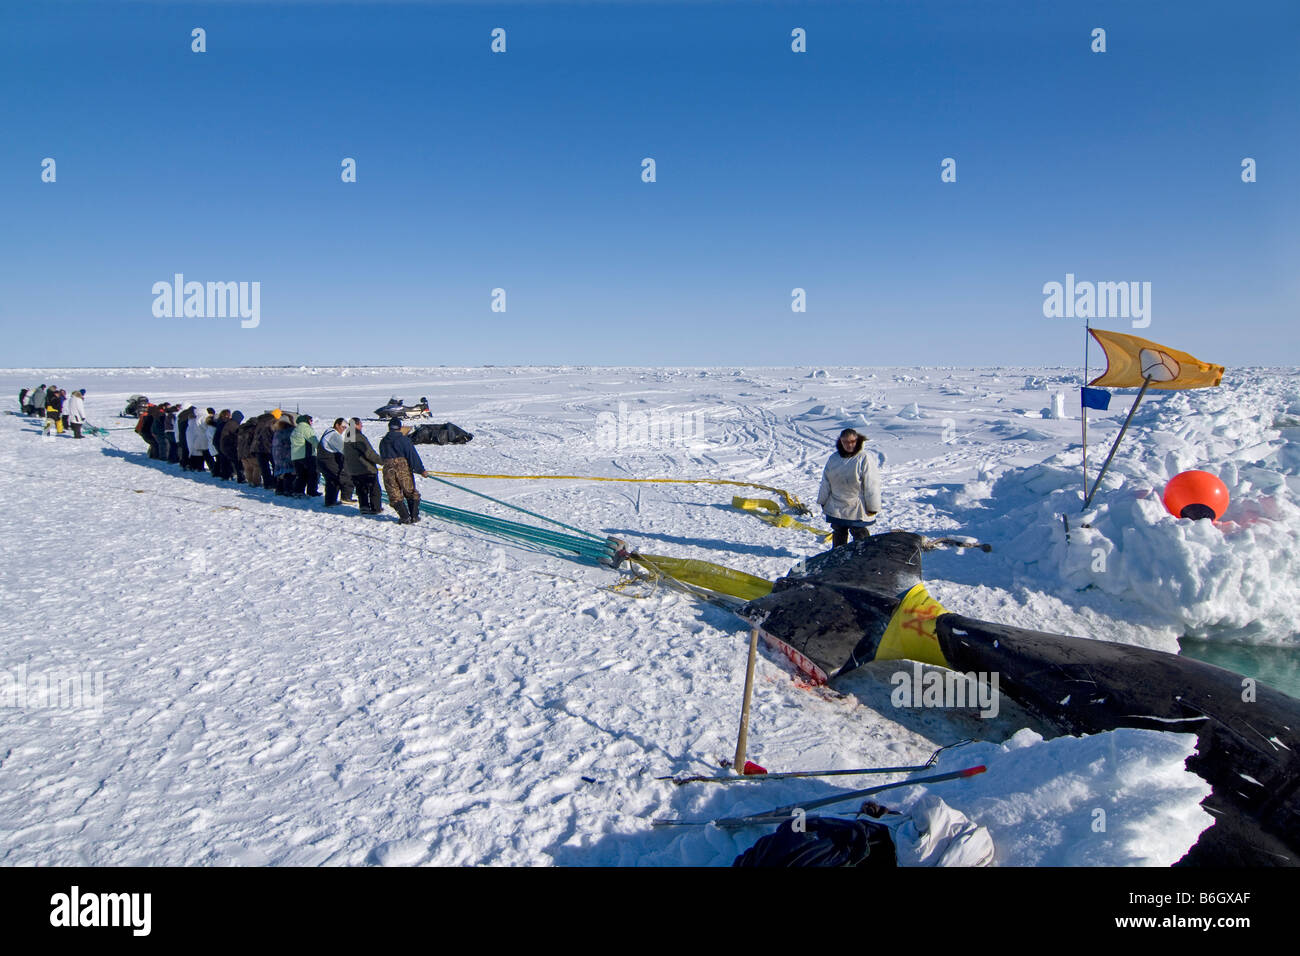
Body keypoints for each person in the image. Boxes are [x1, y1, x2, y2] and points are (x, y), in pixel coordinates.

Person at [817, 428, 881, 548]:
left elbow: (871, 484)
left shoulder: (864, 458)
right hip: (836, 506)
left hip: (856, 507)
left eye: (852, 441)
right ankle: (837, 558)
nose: (849, 445)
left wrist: (873, 506)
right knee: (839, 533)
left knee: (860, 534)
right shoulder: (834, 458)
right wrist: (823, 500)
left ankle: (864, 557)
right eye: (845, 442)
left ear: (858, 441)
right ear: (840, 442)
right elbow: (826, 482)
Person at [378, 419, 429, 524]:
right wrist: (420, 469)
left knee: (394, 494)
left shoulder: (383, 441)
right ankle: (414, 516)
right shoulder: (404, 440)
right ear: (400, 428)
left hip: (388, 470)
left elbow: (382, 456)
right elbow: (412, 455)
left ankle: (404, 516)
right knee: (410, 492)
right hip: (403, 469)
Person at [343, 418, 384, 514]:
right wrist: (382, 461)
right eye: (360, 424)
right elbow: (369, 453)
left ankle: (364, 506)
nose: (362, 426)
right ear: (356, 425)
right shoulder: (358, 437)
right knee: (374, 489)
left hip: (353, 469)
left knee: (361, 489)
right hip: (365, 468)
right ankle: (376, 508)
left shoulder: (348, 436)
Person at [318, 418, 354, 507]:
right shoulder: (334, 436)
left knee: (332, 480)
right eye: (342, 427)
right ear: (337, 425)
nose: (343, 430)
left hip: (322, 461)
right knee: (341, 477)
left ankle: (330, 501)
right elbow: (344, 450)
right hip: (327, 461)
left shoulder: (329, 431)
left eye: (345, 428)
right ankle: (346, 498)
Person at [290, 414, 321, 497]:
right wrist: (322, 449)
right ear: (306, 421)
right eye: (311, 420)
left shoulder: (295, 429)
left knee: (301, 475)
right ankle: (312, 491)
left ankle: (298, 491)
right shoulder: (306, 428)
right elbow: (313, 440)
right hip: (306, 455)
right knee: (313, 474)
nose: (312, 423)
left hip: (295, 456)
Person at [272, 419, 296, 495]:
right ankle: (288, 490)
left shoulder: (277, 432)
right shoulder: (290, 431)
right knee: (289, 472)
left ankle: (279, 489)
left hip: (277, 454)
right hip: (287, 454)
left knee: (281, 473)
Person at [237, 413, 262, 486]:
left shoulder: (241, 429)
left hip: (241, 451)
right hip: (250, 451)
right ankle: (256, 482)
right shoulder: (253, 430)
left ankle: (250, 481)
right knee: (256, 466)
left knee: (247, 468)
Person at [219, 411, 244, 482]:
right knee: (237, 462)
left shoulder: (230, 423)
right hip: (229, 446)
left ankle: (225, 475)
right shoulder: (234, 425)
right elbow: (236, 436)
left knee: (226, 461)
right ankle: (240, 477)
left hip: (224, 445)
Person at [253, 412, 277, 488]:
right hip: (269, 447)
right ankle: (275, 483)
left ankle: (267, 484)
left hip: (258, 448)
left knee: (264, 467)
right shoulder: (273, 422)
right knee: (275, 466)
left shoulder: (259, 421)